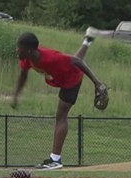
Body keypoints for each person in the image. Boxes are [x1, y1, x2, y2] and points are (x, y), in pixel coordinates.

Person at [12, 28, 109, 169]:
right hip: (62, 76)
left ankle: (55, 160)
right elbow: (23, 76)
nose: (17, 51)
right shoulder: (28, 59)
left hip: (71, 80)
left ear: (28, 50)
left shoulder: (50, 58)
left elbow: (77, 62)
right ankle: (87, 41)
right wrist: (16, 95)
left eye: (19, 48)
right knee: (72, 62)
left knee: (61, 116)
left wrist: (97, 83)